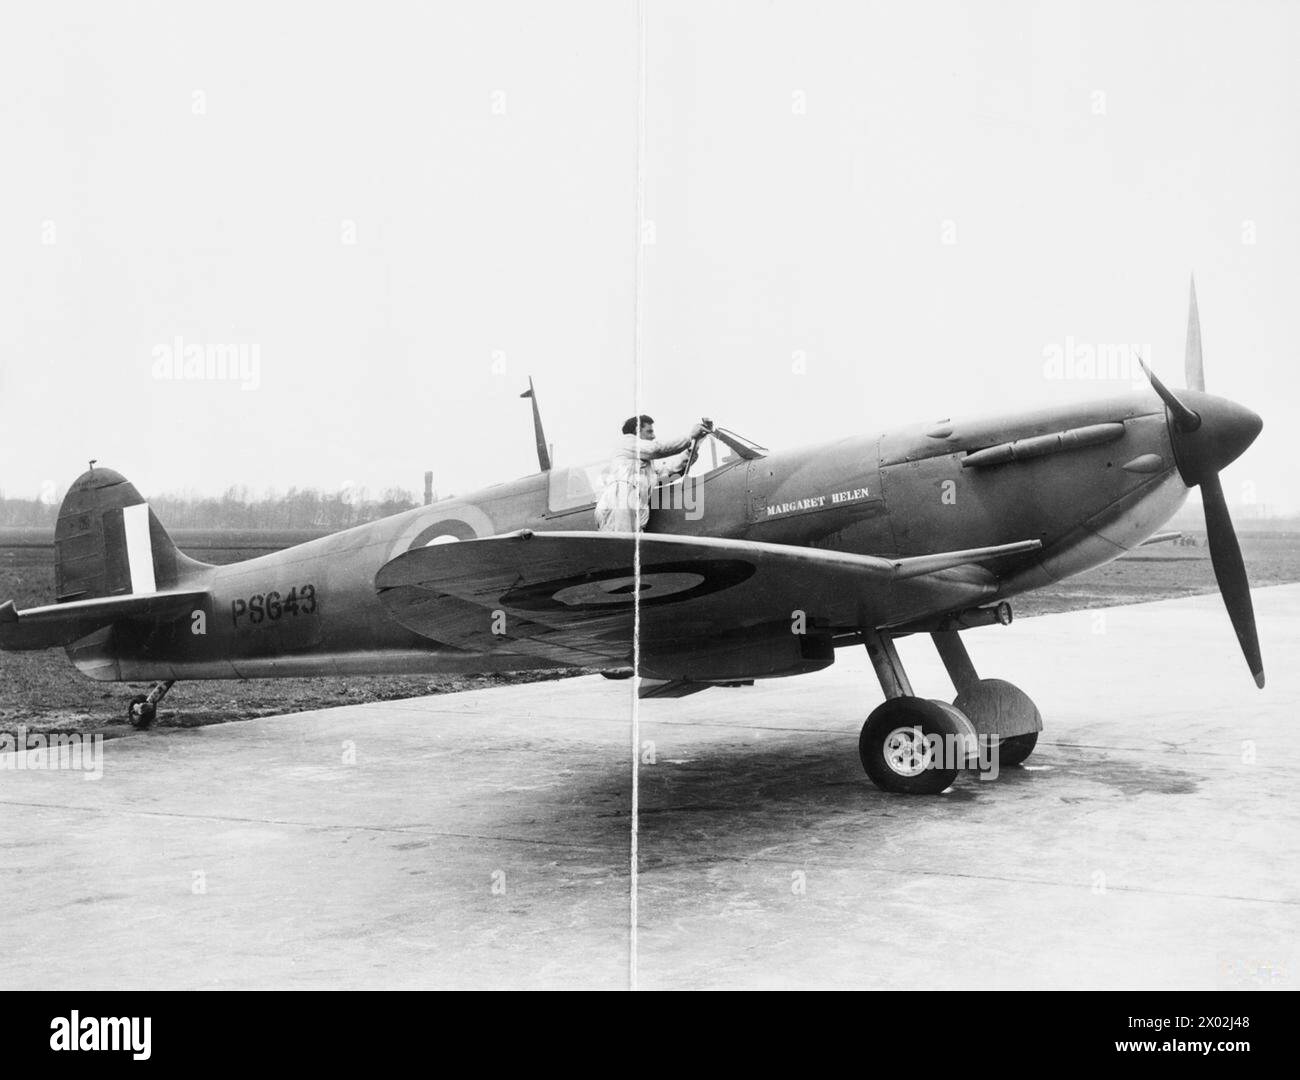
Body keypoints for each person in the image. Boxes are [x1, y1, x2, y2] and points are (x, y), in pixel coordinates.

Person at [595, 414, 710, 532]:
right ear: (637, 431)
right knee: (622, 545)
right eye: (649, 432)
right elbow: (656, 449)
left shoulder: (646, 463)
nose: (653, 436)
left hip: (632, 512)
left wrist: (695, 444)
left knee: (627, 546)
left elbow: (668, 470)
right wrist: (689, 436)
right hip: (618, 509)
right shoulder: (627, 442)